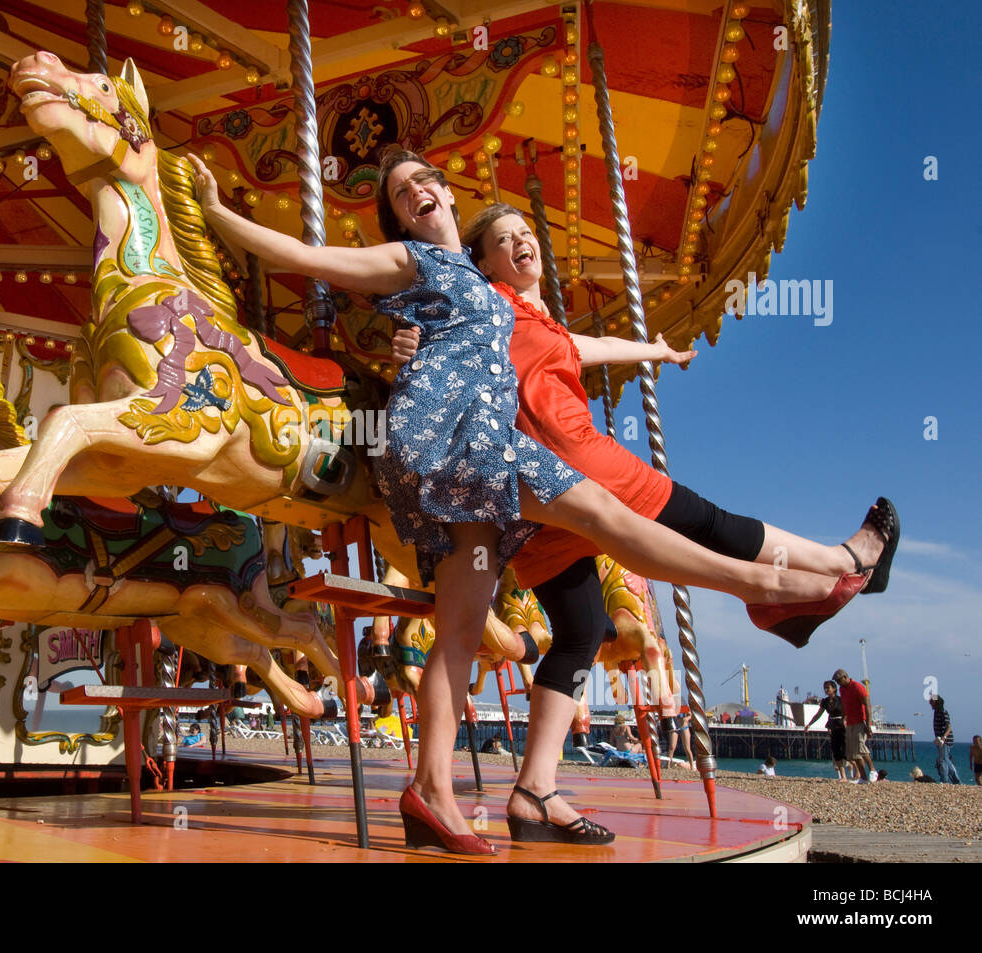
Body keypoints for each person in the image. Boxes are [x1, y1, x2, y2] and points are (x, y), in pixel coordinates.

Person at [188, 147, 877, 856]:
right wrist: (216, 214)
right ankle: (765, 586)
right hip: (454, 438)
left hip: (470, 454)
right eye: (399, 193)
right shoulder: (412, 261)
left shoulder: (486, 289)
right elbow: (311, 258)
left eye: (424, 180)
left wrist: (655, 352)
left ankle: (429, 792)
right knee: (604, 514)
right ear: (401, 219)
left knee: (460, 631)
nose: (416, 192)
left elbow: (578, 345)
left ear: (446, 193)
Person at [390, 200, 898, 839]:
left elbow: (591, 346)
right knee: (703, 519)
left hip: (536, 497)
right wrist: (410, 342)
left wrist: (653, 349)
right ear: (485, 262)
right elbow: (440, 327)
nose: (521, 241)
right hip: (569, 454)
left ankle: (535, 792)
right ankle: (839, 563)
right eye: (502, 239)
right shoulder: (490, 303)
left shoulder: (541, 322)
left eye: (525, 232)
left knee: (582, 630)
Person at [805, 680, 850, 780]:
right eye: (825, 688)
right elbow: (818, 714)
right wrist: (809, 724)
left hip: (843, 726)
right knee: (836, 750)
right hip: (833, 726)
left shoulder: (840, 699)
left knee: (846, 751)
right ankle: (843, 776)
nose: (826, 690)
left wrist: (845, 720)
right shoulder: (825, 701)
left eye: (828, 688)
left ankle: (857, 773)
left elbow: (847, 711)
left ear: (834, 689)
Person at [834, 670, 874, 783]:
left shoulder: (858, 687)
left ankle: (873, 770)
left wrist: (868, 724)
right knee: (853, 753)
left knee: (861, 748)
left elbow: (868, 705)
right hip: (850, 723)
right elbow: (844, 704)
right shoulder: (842, 689)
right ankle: (863, 778)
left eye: (839, 681)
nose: (838, 683)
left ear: (845, 677)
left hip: (861, 721)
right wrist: (843, 718)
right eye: (836, 682)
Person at [929, 695, 961, 784]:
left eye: (931, 702)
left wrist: (943, 738)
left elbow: (949, 727)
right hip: (940, 739)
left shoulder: (943, 712)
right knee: (945, 759)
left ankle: (945, 780)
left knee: (943, 759)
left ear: (936, 702)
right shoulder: (936, 712)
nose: (930, 703)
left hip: (945, 739)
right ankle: (955, 780)